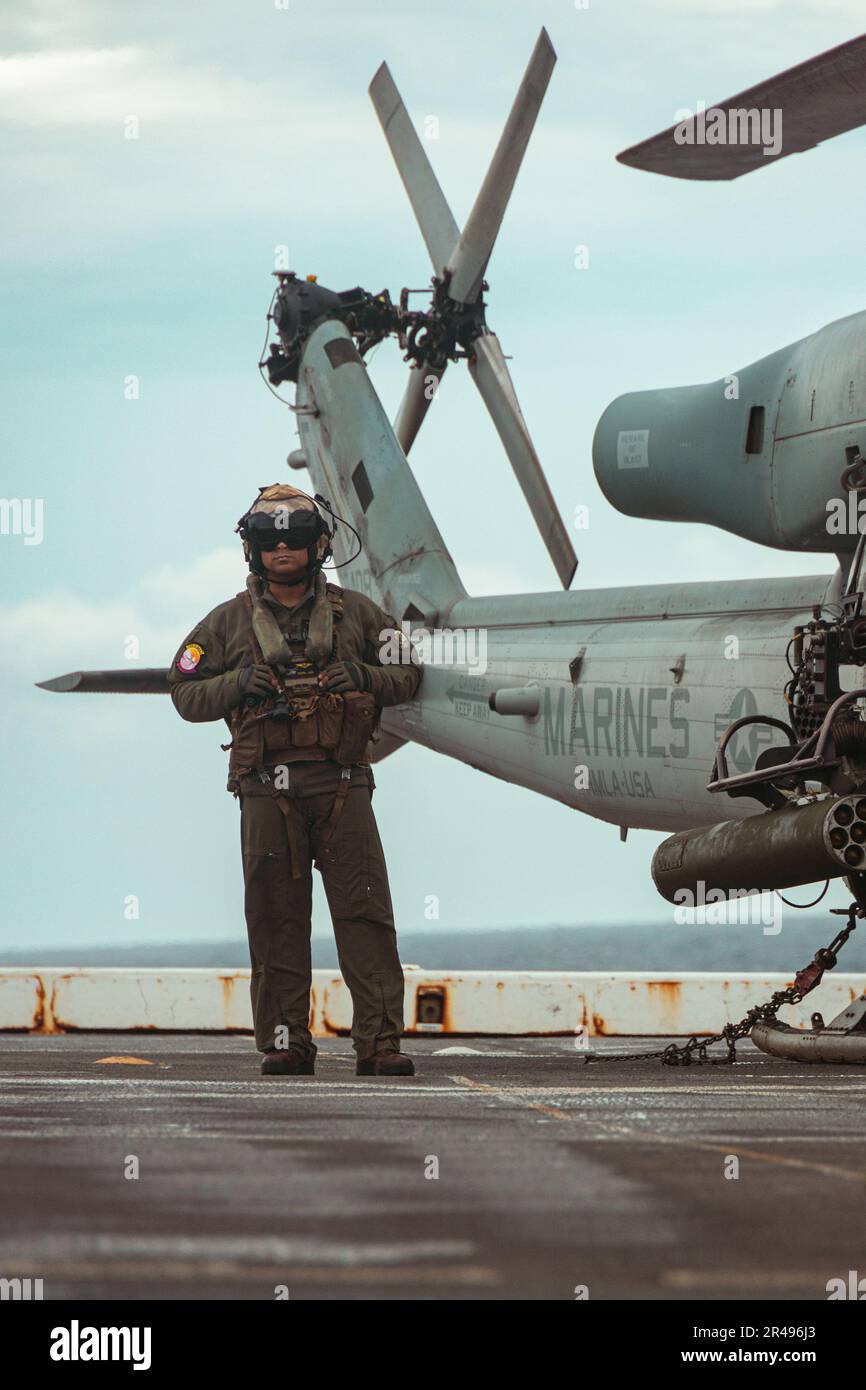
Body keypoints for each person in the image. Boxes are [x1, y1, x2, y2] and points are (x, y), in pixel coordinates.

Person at [167, 484, 422, 1077]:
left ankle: (379, 1045)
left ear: (318, 545)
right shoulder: (228, 622)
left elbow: (408, 673)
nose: (283, 550)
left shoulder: (356, 614)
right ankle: (286, 1042)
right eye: (271, 541)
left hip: (343, 784)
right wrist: (237, 686)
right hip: (265, 790)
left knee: (365, 914)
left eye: (295, 539)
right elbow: (182, 689)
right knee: (276, 917)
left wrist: (358, 673)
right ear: (254, 551)